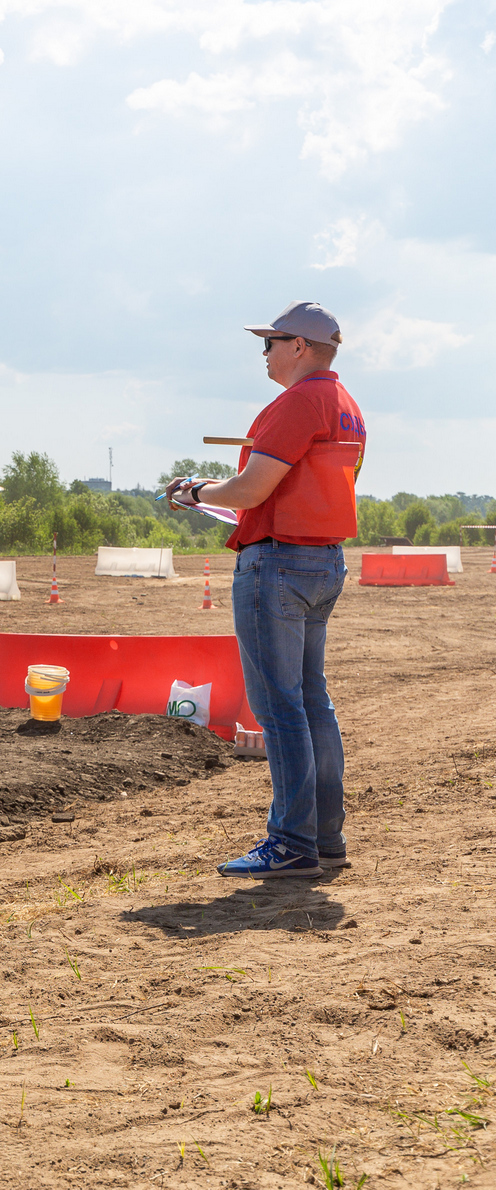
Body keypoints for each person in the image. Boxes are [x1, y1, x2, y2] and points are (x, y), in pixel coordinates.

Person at [166, 301, 366, 879]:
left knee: (280, 708)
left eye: (271, 342)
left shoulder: (299, 402)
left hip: (278, 564)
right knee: (310, 703)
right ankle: (324, 839)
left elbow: (253, 490)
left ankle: (291, 843)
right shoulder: (346, 406)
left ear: (299, 346)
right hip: (322, 559)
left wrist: (198, 491)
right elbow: (312, 487)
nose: (265, 352)